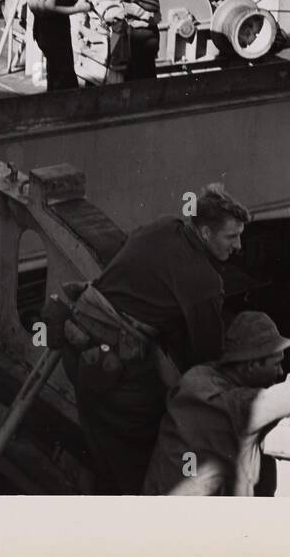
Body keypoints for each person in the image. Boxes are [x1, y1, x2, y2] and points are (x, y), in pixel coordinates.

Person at [63, 183, 250, 494]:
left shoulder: (166, 225)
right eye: (231, 237)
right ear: (204, 233)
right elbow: (207, 361)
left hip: (78, 343)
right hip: (115, 376)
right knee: (146, 447)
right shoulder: (204, 281)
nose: (238, 246)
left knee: (101, 449)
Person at [143, 311, 290, 496]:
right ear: (251, 365)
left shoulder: (197, 377)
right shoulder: (241, 405)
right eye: (276, 364)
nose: (280, 371)